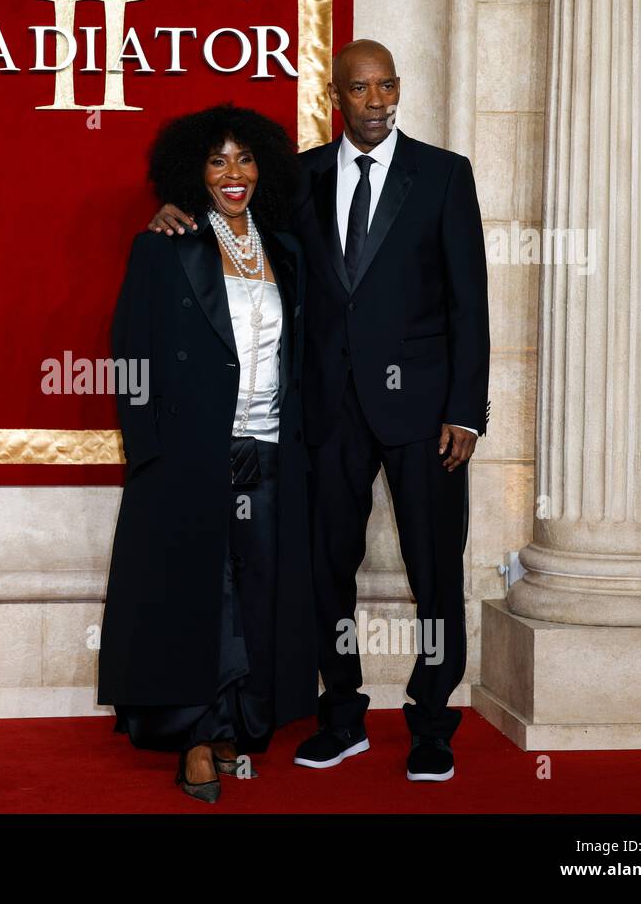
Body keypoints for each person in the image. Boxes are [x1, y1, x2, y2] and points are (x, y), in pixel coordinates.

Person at [149, 40, 490, 783]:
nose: (376, 100)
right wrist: (173, 208)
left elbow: (471, 301)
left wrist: (466, 409)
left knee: (435, 571)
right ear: (337, 96)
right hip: (327, 414)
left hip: (426, 415)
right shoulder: (299, 176)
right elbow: (236, 231)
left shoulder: (442, 175)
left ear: (398, 90)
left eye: (387, 85)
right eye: (360, 88)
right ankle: (342, 713)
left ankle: (433, 718)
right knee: (328, 571)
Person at [97, 105, 318, 803]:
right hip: (191, 453)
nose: (233, 174)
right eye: (218, 160)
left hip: (271, 449)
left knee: (255, 590)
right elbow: (128, 351)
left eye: (245, 159)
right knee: (199, 595)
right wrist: (150, 452)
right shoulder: (166, 243)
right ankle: (194, 737)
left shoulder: (286, 249)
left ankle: (234, 725)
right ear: (195, 168)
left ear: (265, 169)